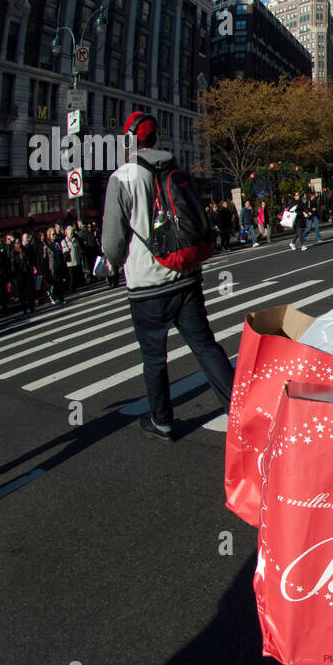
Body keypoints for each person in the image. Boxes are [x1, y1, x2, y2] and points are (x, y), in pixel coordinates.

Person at [100, 112, 235, 441]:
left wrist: (111, 263)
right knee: (204, 346)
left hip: (147, 285)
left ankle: (162, 421)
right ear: (156, 138)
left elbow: (114, 240)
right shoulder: (177, 169)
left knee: (154, 357)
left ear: (130, 140)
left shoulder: (122, 177)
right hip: (186, 276)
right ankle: (237, 407)